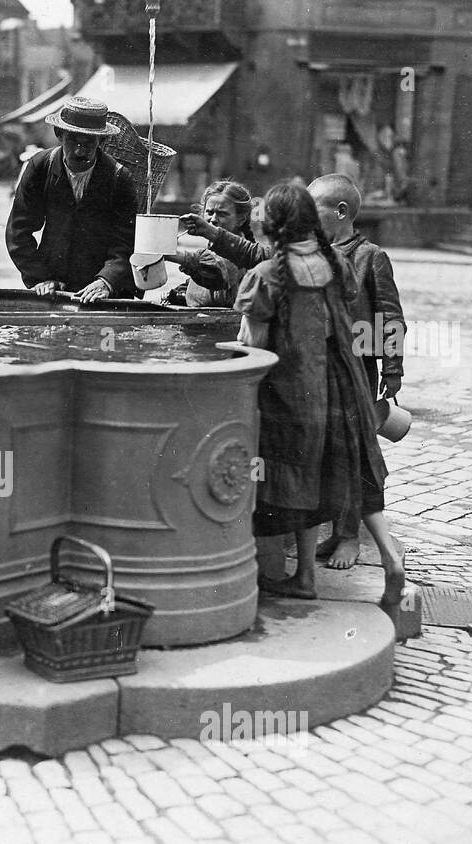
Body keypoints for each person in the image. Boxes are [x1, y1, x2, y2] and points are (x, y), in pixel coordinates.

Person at [234, 182, 405, 615]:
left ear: (272, 226)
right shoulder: (337, 263)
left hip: (294, 390)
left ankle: (278, 571)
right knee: (345, 476)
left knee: (298, 478)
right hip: (342, 383)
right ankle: (370, 560)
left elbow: (252, 349)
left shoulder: (267, 276)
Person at [308, 173, 407, 568]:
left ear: (341, 211)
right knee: (327, 453)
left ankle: (349, 536)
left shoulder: (371, 257)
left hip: (357, 370)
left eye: (316, 210)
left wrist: (392, 369)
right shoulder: (315, 253)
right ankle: (334, 530)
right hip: (320, 368)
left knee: (354, 454)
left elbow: (390, 316)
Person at [6, 96, 138, 302]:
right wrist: (40, 277)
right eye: (73, 140)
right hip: (53, 285)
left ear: (101, 141)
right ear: (59, 134)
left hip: (102, 289)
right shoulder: (40, 167)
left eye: (88, 143)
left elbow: (126, 242)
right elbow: (18, 232)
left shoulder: (119, 178)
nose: (79, 150)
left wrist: (107, 281)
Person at [163, 180, 254, 308]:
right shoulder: (211, 251)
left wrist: (169, 253)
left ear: (241, 219)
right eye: (210, 212)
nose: (213, 219)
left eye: (222, 214)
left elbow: (217, 271)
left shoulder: (240, 255)